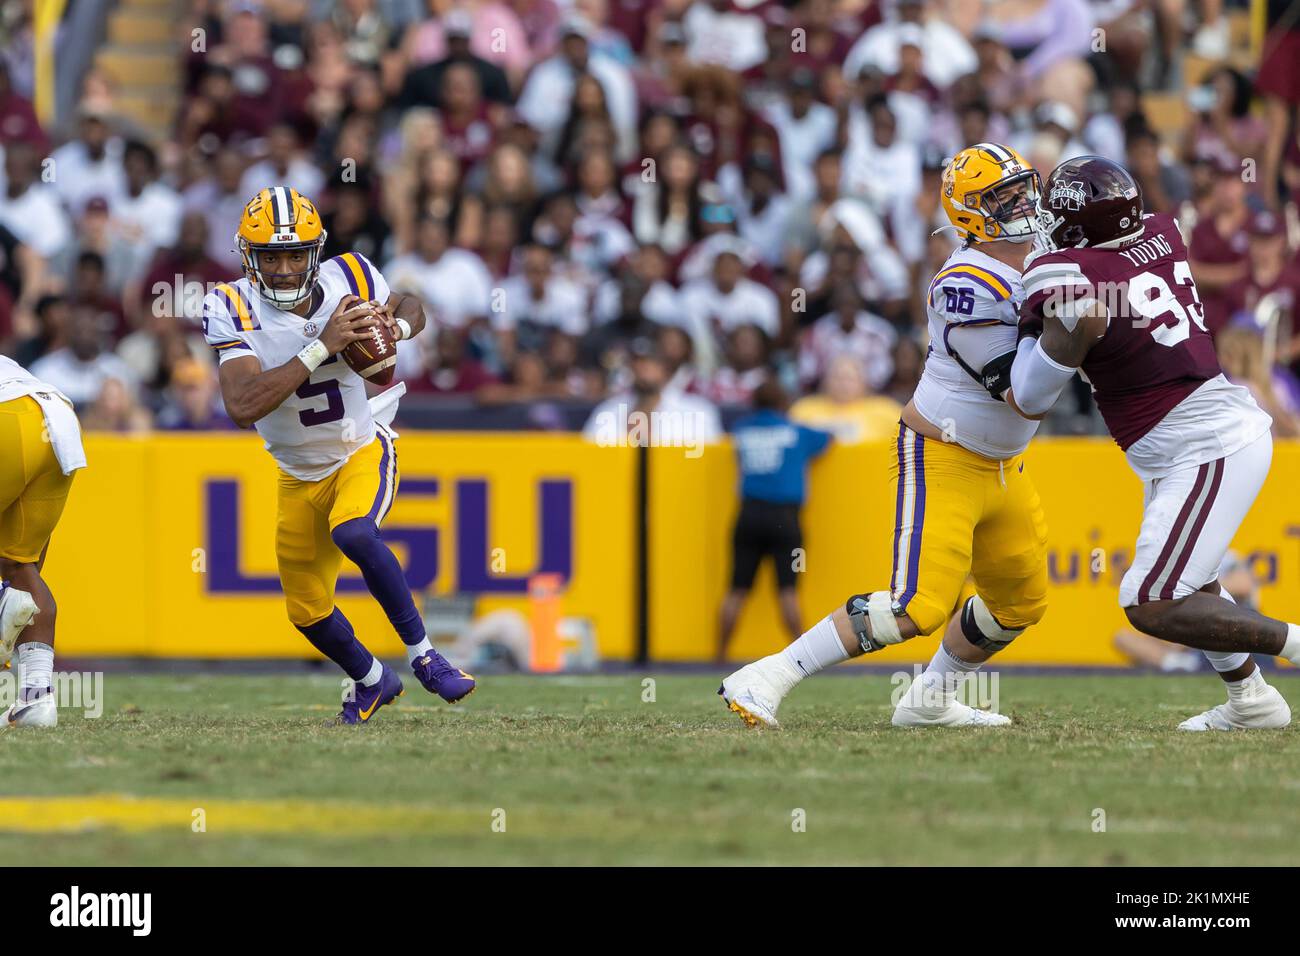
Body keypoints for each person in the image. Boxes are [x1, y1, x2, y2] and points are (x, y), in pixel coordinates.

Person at [720, 144, 1049, 729]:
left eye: (1024, 188)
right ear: (973, 213)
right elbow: (1022, 391)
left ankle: (928, 701)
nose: (1023, 203)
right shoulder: (966, 280)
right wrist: (1079, 327)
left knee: (1019, 605)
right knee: (914, 608)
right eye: (1005, 196)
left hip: (1006, 464)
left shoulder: (1043, 255)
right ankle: (769, 673)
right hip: (945, 458)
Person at [1002, 155, 1300, 730]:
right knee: (1197, 580)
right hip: (1188, 439)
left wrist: (1036, 321)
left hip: (1205, 442)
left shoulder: (1065, 273)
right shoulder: (1162, 231)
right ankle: (1253, 702)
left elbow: (1030, 394)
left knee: (1151, 599)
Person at [206, 185, 475, 724]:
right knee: (306, 611)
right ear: (248, 258)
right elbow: (241, 405)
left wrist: (392, 328)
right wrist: (320, 346)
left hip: (359, 445)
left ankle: (425, 657)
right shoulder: (229, 304)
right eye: (271, 257)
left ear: (317, 251)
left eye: (294, 255)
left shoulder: (349, 275)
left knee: (353, 531)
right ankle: (374, 680)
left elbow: (411, 305)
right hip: (296, 473)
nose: (283, 269)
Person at [717, 376, 832, 662]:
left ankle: (718, 655)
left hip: (748, 514)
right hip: (786, 520)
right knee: (788, 591)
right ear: (784, 403)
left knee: (736, 589)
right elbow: (827, 439)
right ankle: (804, 658)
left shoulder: (742, 430)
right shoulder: (796, 432)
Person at [0, 355, 88, 726]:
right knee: (21, 565)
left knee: (14, 579)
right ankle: (36, 698)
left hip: (9, 415)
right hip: (57, 416)